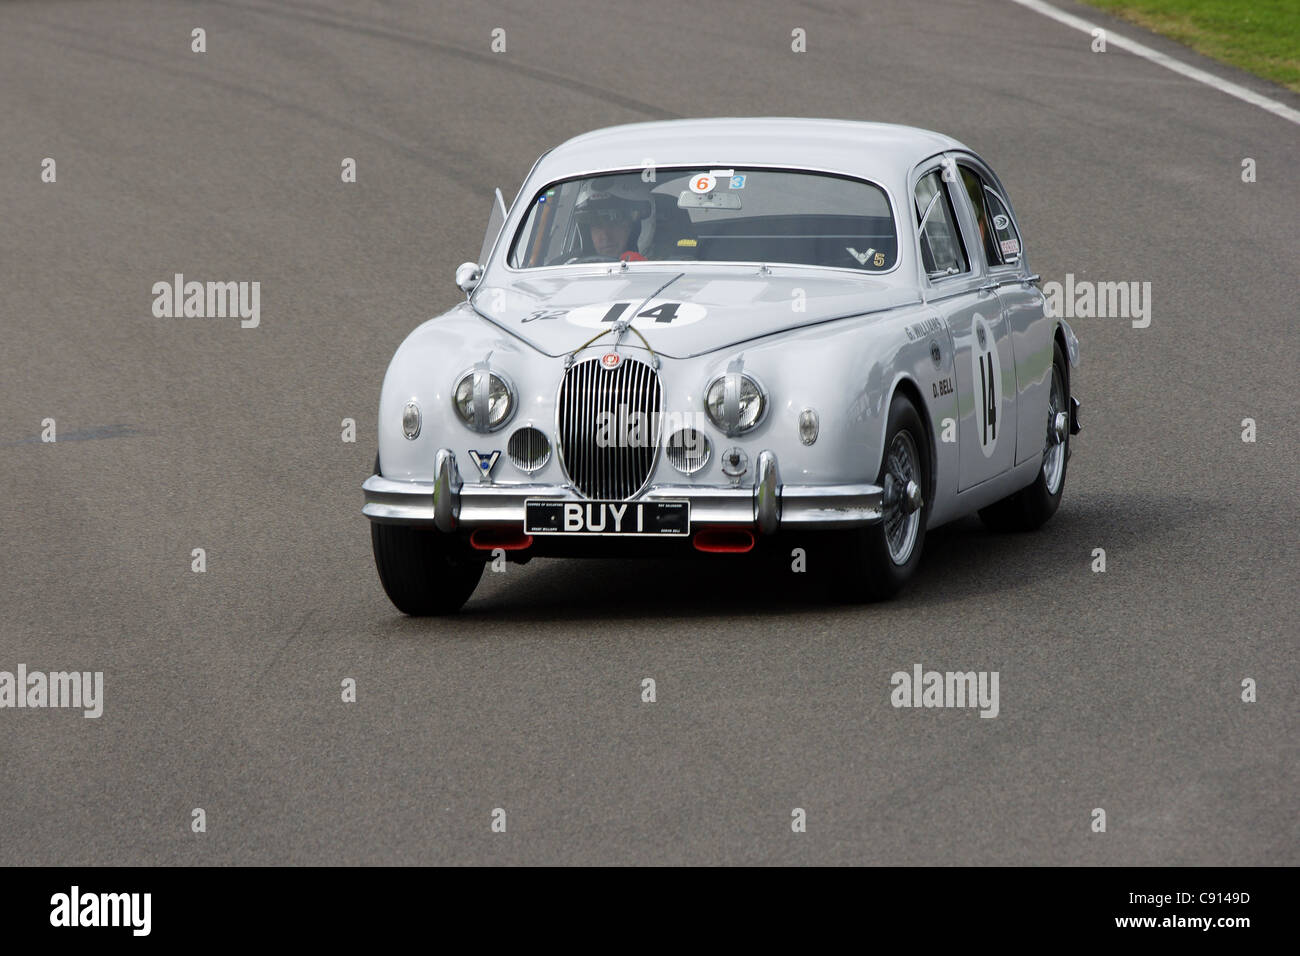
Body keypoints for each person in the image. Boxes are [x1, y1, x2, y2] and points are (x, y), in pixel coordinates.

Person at [573, 177, 657, 260]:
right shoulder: (572, 266)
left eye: (614, 223)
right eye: (597, 225)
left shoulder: (663, 267)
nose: (605, 236)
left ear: (636, 227)